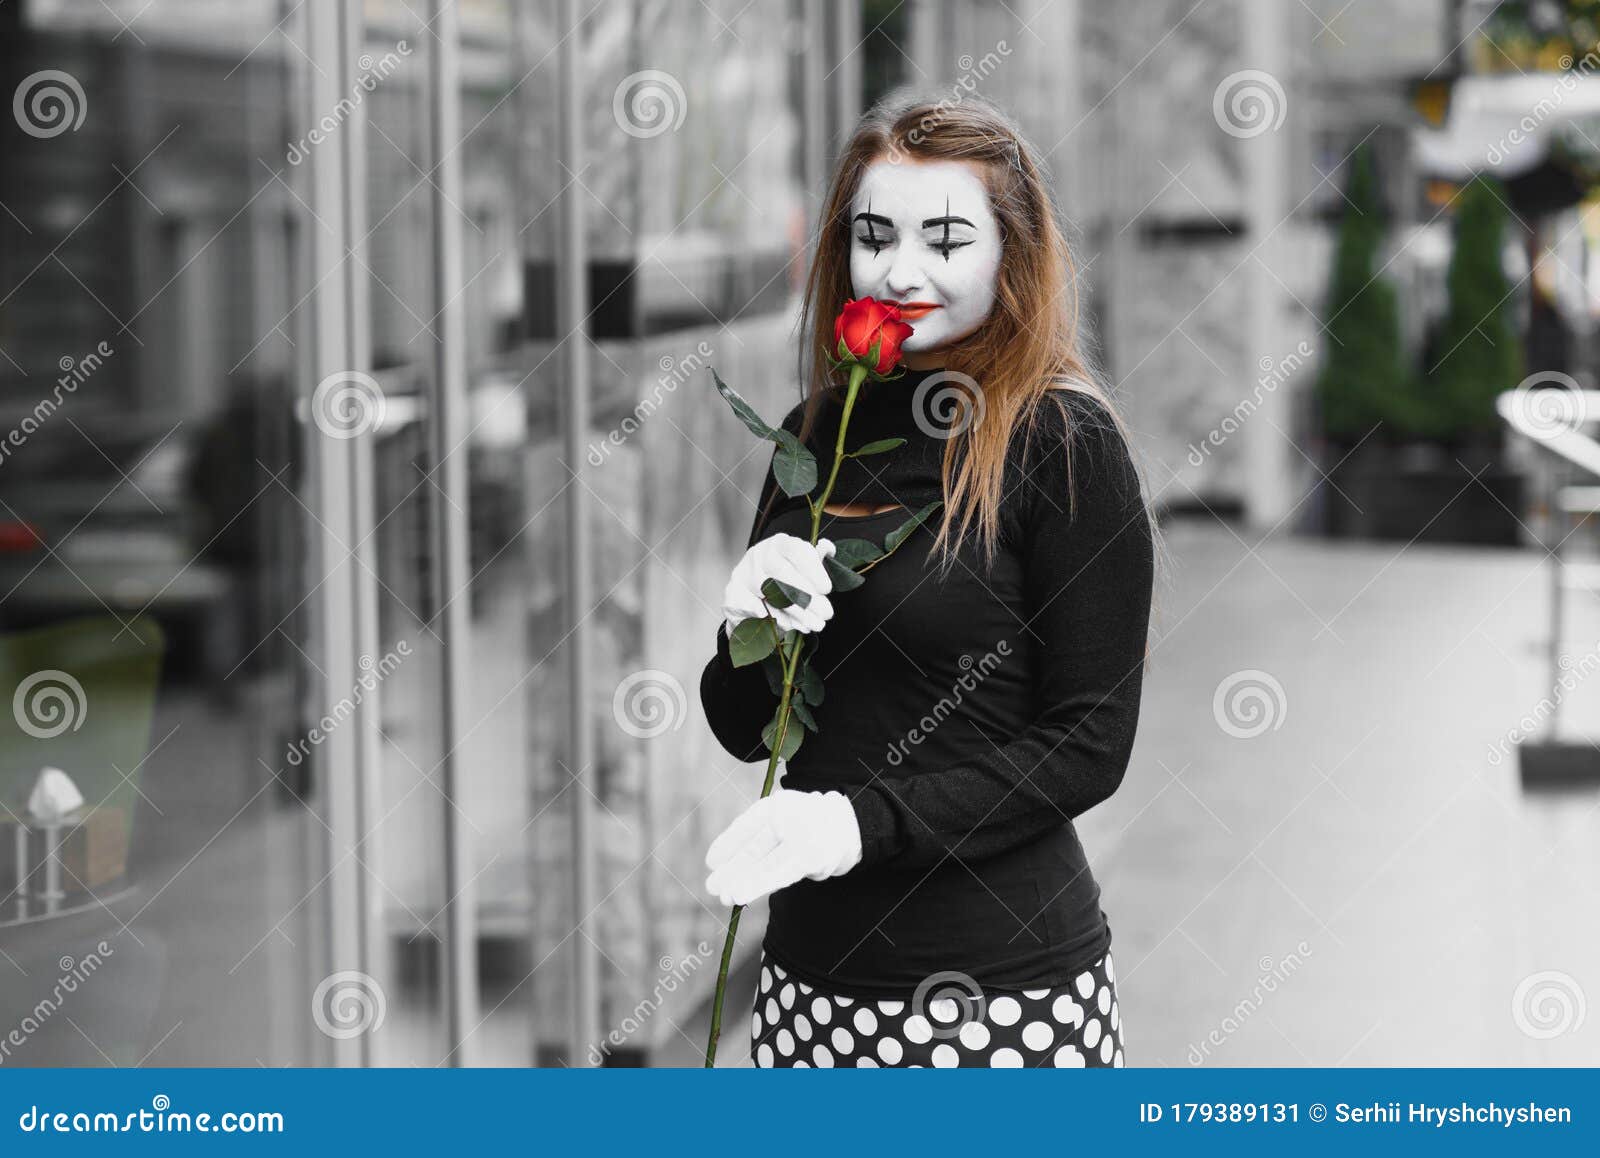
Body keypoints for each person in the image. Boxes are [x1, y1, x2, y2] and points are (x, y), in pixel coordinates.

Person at [698, 91, 1158, 1069]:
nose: (899, 271)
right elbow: (747, 726)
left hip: (996, 995)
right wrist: (749, 626)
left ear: (1011, 255)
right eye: (874, 237)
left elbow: (1089, 745)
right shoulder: (819, 430)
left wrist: (856, 824)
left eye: (944, 241)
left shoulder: (1062, 444)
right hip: (808, 987)